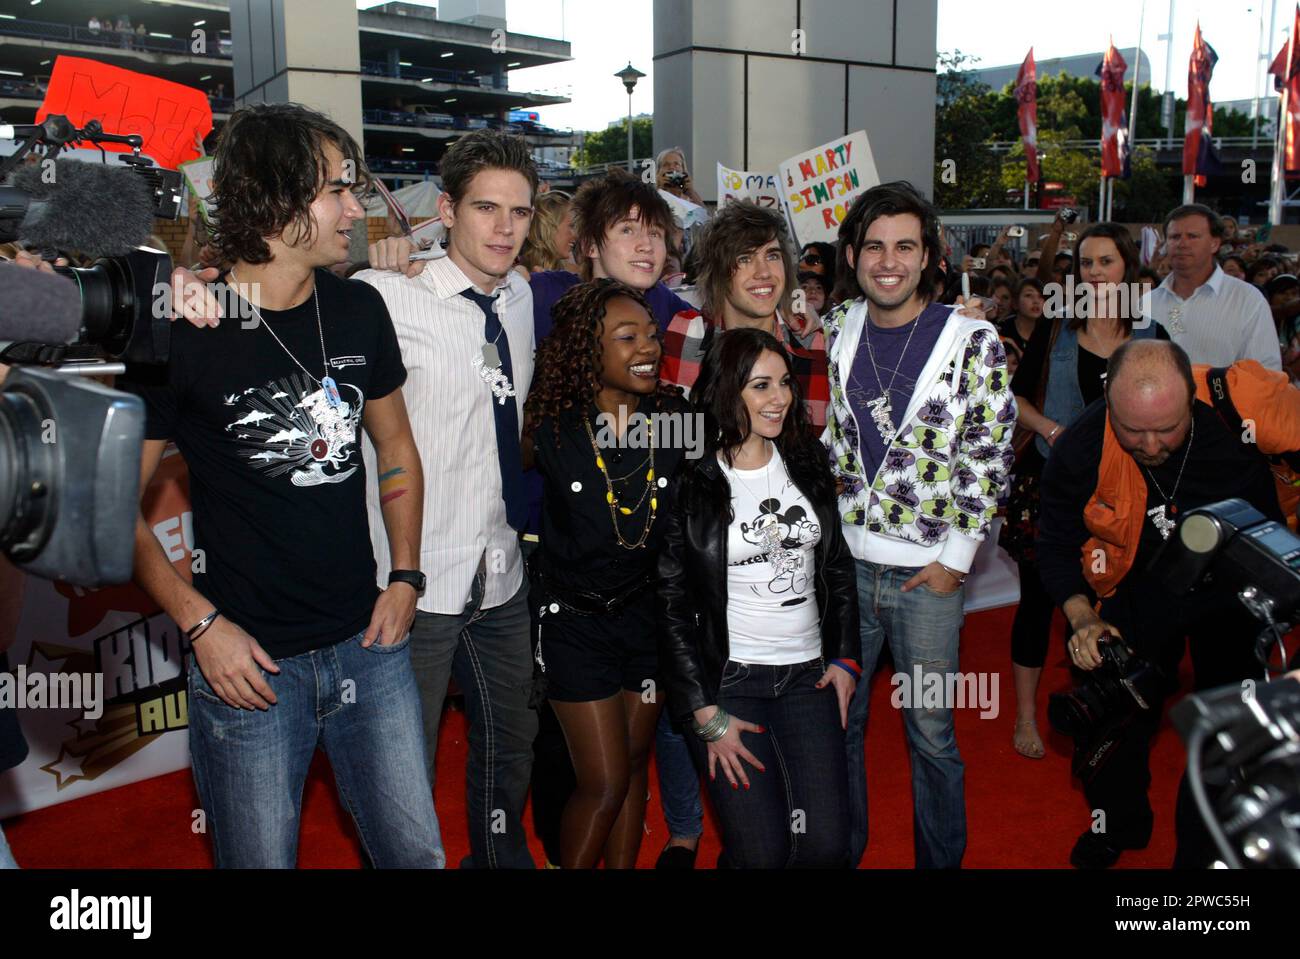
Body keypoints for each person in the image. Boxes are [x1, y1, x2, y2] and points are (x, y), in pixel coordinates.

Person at [119, 103, 441, 869]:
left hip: (371, 643)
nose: (353, 208)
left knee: (417, 856)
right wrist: (201, 626)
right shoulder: (186, 327)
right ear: (273, 197)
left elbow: (394, 444)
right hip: (247, 666)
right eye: (335, 189)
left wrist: (405, 574)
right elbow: (109, 503)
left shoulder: (359, 308)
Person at [1035, 339, 1300, 868]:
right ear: (1109, 402)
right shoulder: (1082, 445)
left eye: (1167, 428)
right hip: (1138, 586)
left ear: (1192, 400)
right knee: (1115, 717)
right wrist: (1081, 614)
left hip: (1233, 591)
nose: (1151, 444)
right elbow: (1054, 541)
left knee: (1229, 732)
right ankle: (1117, 825)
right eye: (1133, 430)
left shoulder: (1241, 410)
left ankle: (1203, 857)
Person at [353, 129, 540, 869]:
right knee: (402, 772)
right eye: (486, 208)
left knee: (509, 748)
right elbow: (287, 300)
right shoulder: (383, 296)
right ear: (446, 210)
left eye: (520, 212)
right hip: (412, 585)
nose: (504, 227)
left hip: (501, 577)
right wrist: (361, 254)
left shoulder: (522, 295)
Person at [824, 181, 1015, 868]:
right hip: (845, 570)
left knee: (931, 734)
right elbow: (828, 443)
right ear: (852, 253)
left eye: (905, 245)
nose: (888, 260)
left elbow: (988, 456)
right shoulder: (836, 325)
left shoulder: (973, 340)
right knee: (839, 726)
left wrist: (955, 561)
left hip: (927, 578)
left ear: (930, 256)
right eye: (874, 245)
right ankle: (838, 852)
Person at [658, 327, 860, 868]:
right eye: (761, 386)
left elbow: (836, 567)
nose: (780, 399)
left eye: (785, 384)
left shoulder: (807, 461)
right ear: (728, 393)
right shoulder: (691, 479)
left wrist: (845, 658)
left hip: (809, 678)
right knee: (759, 854)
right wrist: (702, 713)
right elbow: (671, 604)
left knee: (825, 847)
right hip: (731, 683)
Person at [521, 279, 689, 868]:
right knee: (606, 781)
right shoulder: (550, 428)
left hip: (647, 622)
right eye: (627, 337)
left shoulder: (675, 420)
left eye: (650, 334)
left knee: (635, 765)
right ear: (587, 351)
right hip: (574, 626)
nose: (647, 347)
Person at [1002, 223, 1168, 760]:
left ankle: (1112, 710)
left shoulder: (1153, 334)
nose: (1094, 273)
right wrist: (1053, 431)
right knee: (1038, 602)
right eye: (1086, 264)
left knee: (1122, 603)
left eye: (1106, 262)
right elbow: (1013, 400)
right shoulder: (1055, 329)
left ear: (1129, 270)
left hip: (1130, 496)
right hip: (1053, 487)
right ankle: (1027, 716)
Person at [661, 201, 828, 428]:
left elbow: (812, 440)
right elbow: (675, 437)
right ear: (717, 272)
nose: (764, 272)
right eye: (744, 259)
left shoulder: (808, 339)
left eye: (772, 256)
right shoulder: (691, 333)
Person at [1147, 204, 1282, 371]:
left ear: (1215, 243)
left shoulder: (1247, 300)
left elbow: (1265, 374)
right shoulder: (1146, 303)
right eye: (1174, 237)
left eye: (1192, 236)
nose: (1182, 244)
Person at [517, 188, 576, 275]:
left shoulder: (575, 276)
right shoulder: (512, 276)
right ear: (549, 227)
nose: (576, 235)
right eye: (572, 226)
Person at [999, 276, 1044, 355]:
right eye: (1029, 295)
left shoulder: (1048, 331)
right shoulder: (1003, 330)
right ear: (1015, 303)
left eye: (1040, 296)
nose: (1036, 301)